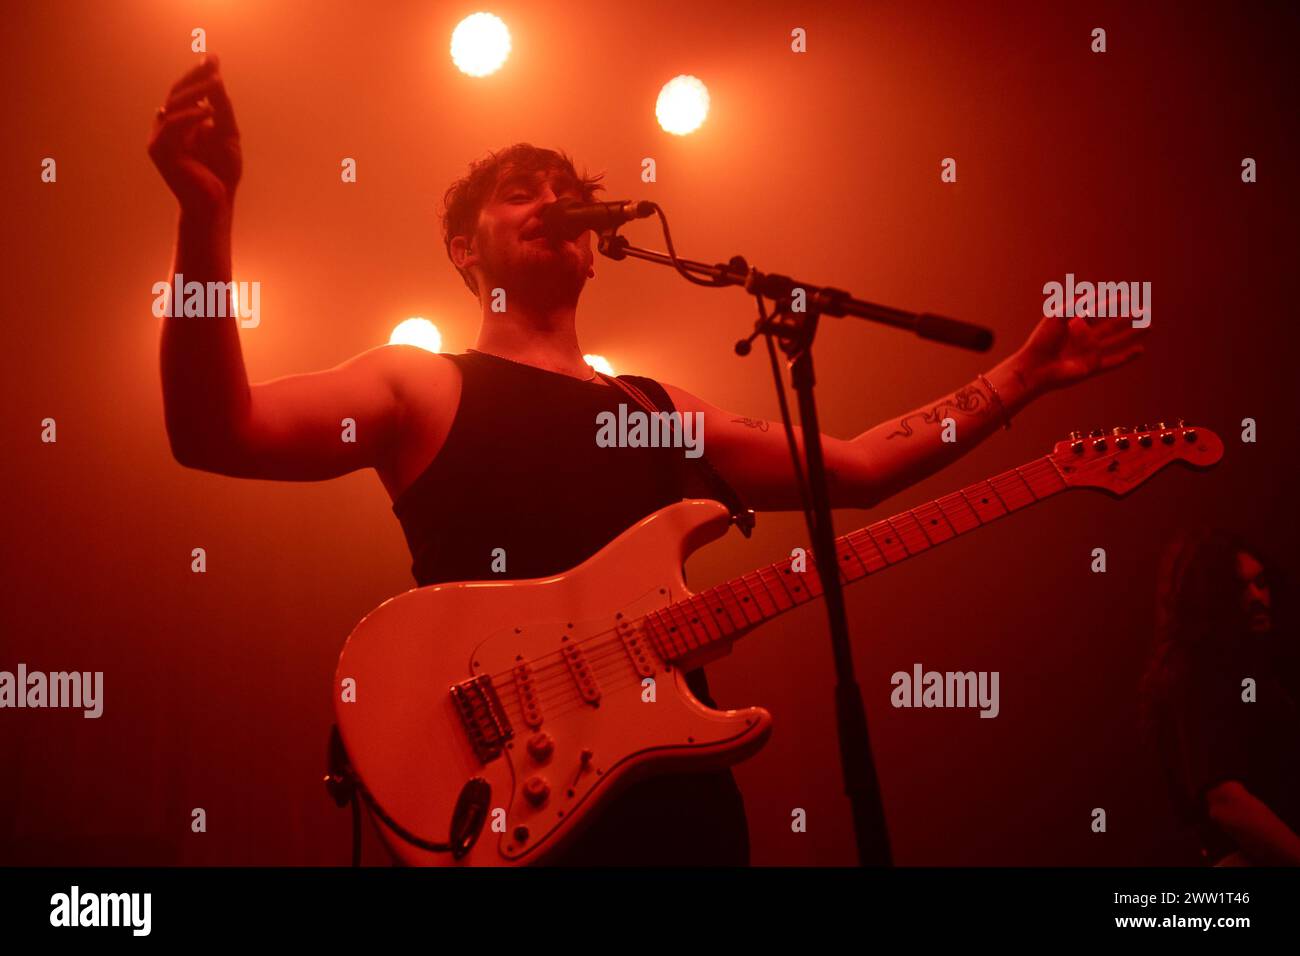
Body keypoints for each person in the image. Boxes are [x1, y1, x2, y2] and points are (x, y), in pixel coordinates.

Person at [150, 55, 1147, 865]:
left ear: (598, 245)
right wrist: (207, 217)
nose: (553, 203)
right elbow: (215, 430)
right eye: (517, 193)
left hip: (674, 804)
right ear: (464, 249)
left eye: (568, 192)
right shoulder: (420, 384)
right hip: (507, 795)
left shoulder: (658, 410)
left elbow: (851, 467)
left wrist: (1018, 379)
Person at [1140, 529, 1300, 865]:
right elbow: (1227, 802)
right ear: (1211, 597)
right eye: (1240, 587)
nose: (1257, 596)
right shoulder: (1199, 674)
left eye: (1262, 582)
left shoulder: (1260, 670)